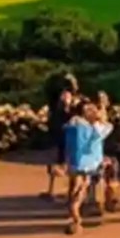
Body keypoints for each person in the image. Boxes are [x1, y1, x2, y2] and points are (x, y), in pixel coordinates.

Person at [63, 96, 116, 235]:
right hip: (90, 163)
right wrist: (102, 110)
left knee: (76, 187)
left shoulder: (73, 124)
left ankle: (75, 216)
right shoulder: (94, 128)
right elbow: (107, 127)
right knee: (86, 185)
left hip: (74, 161)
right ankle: (82, 213)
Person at [45, 73, 81, 201]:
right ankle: (63, 190)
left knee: (62, 158)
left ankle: (55, 189)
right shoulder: (66, 96)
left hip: (61, 130)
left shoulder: (59, 97)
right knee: (64, 159)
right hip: (65, 132)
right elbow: (66, 112)